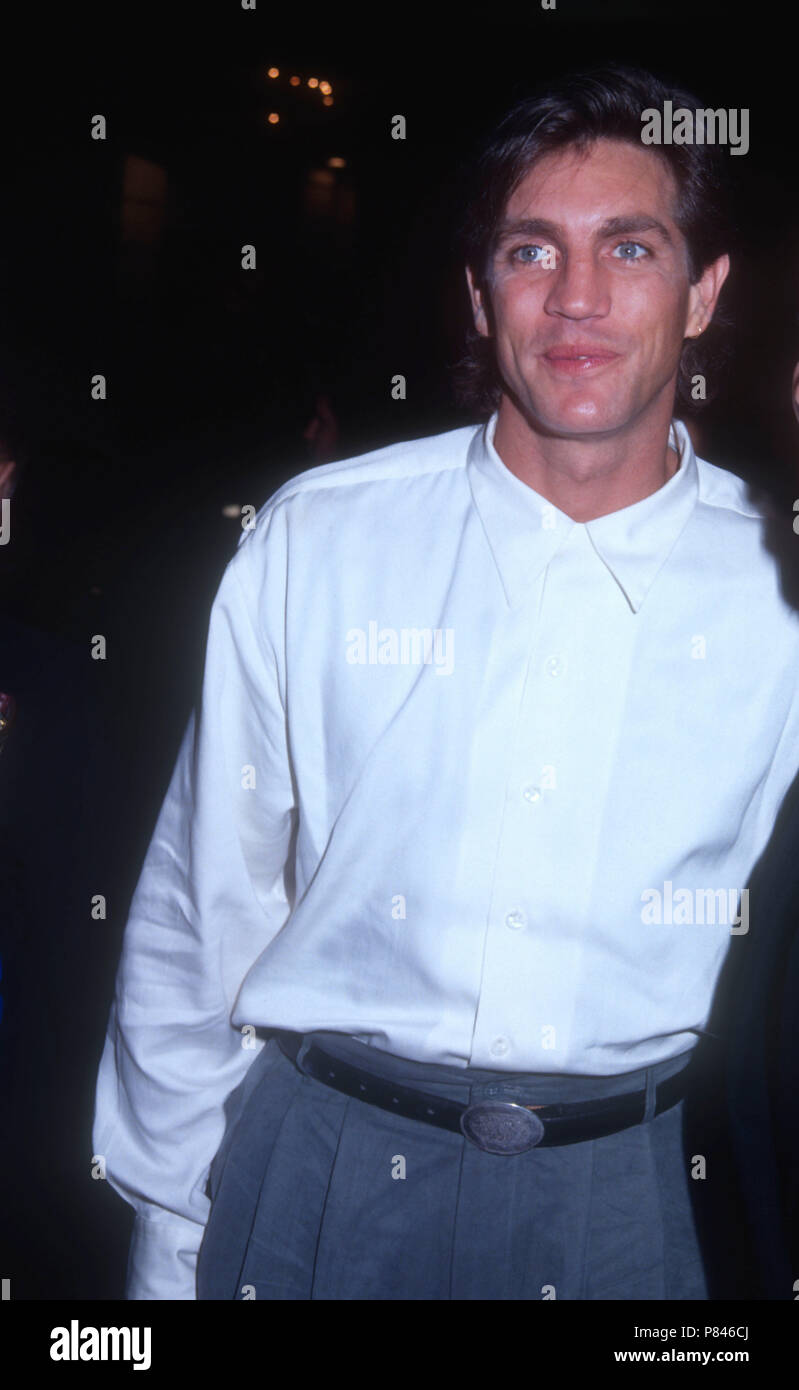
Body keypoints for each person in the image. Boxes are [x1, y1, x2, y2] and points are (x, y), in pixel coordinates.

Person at [93, 64, 799, 1301]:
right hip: (318, 1172)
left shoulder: (776, 584)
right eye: (531, 252)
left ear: (703, 294)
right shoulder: (319, 539)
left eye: (629, 248)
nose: (575, 299)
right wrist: (166, 1234)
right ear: (480, 297)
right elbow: (198, 916)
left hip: (639, 1200)